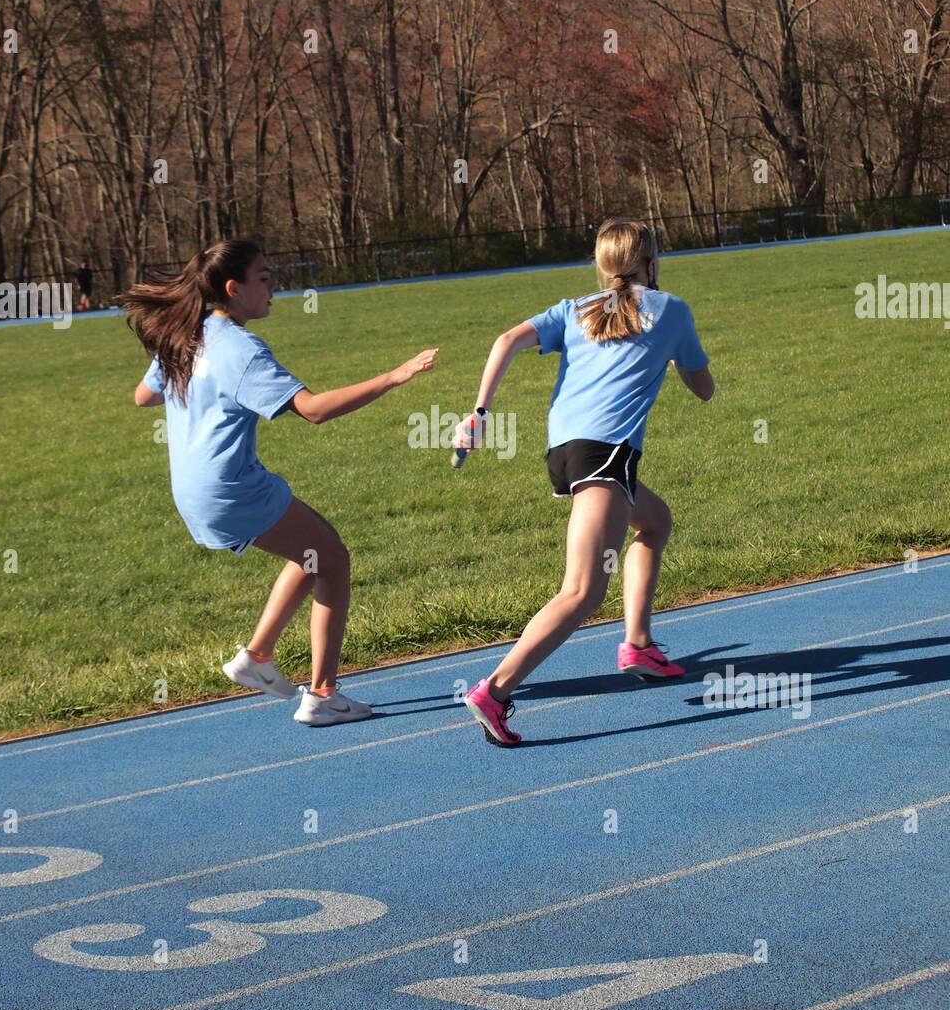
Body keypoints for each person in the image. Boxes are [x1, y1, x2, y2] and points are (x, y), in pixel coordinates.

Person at [122, 239, 438, 726]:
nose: (274, 285)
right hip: (231, 487)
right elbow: (313, 411)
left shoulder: (185, 335)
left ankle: (259, 658)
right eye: (265, 277)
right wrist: (394, 377)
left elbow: (144, 396)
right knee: (332, 559)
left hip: (194, 490)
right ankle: (323, 695)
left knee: (313, 553)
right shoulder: (240, 349)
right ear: (235, 288)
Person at [455, 217, 714, 747]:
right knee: (581, 590)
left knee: (655, 521)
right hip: (607, 457)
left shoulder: (576, 309)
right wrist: (676, 359)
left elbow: (506, 340)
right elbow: (704, 389)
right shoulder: (672, 311)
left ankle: (638, 643)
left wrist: (478, 413)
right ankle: (495, 690)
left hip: (568, 453)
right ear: (651, 261)